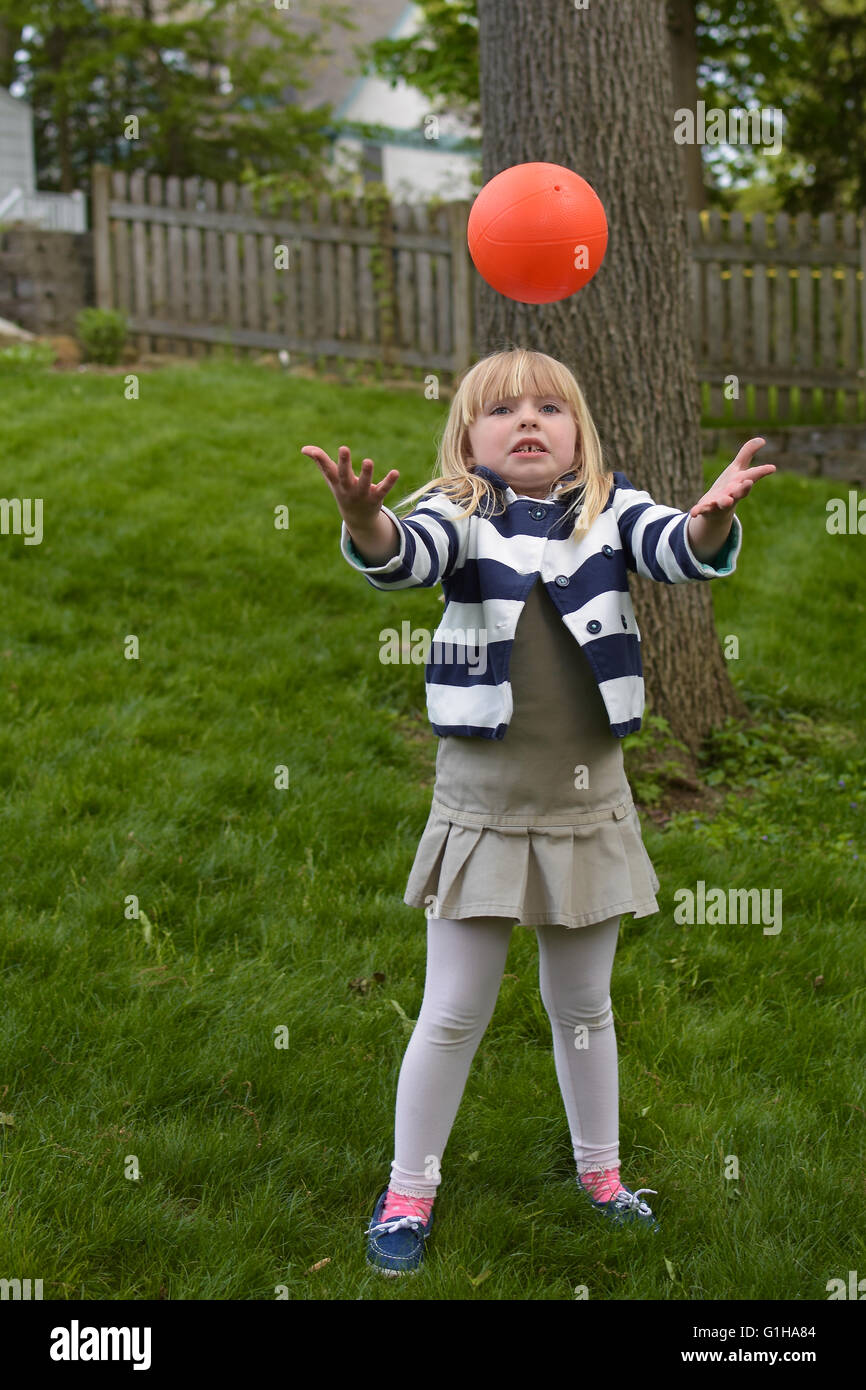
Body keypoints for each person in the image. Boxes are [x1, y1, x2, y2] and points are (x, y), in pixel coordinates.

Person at [302, 347, 774, 1278]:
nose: (529, 421)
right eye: (504, 410)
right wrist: (366, 520)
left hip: (589, 805)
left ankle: (602, 1177)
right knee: (451, 1011)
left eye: (551, 409)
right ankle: (408, 1190)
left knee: (585, 1006)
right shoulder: (457, 512)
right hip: (483, 805)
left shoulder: (610, 508)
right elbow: (404, 559)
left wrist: (710, 523)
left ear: (580, 434)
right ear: (468, 439)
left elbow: (678, 552)